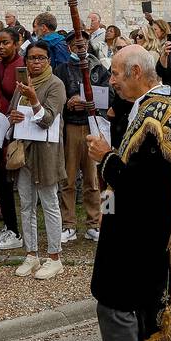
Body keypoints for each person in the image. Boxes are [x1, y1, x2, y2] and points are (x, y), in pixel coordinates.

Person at [85, 45, 171, 341]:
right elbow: (125, 181)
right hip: (138, 234)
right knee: (147, 313)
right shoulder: (146, 108)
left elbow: (148, 190)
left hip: (138, 240)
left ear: (135, 73)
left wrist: (106, 158)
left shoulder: (158, 117)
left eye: (115, 73)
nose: (111, 80)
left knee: (119, 311)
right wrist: (107, 206)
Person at [8, 40, 68, 279]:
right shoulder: (21, 84)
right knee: (26, 204)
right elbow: (15, 110)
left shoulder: (56, 85)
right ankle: (31, 254)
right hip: (24, 151)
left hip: (45, 151)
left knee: (50, 203)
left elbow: (47, 119)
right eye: (32, 58)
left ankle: (55, 257)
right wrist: (12, 116)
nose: (36, 62)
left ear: (49, 60)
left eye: (41, 57)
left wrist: (33, 99)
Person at [54, 32, 110, 244]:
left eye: (84, 42)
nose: (81, 46)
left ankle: (94, 223)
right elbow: (57, 96)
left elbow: (109, 94)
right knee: (68, 178)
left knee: (92, 178)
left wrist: (93, 102)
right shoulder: (61, 68)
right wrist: (69, 101)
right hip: (72, 126)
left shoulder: (98, 68)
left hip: (93, 125)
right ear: (69, 47)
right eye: (76, 43)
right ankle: (68, 224)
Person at [0, 27, 24, 251]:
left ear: (16, 43)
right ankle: (10, 225)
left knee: (10, 181)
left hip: (15, 130)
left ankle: (16, 231)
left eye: (5, 42)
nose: (0, 47)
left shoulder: (21, 66)